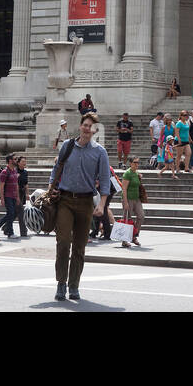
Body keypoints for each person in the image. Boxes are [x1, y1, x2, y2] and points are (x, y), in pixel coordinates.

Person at [49, 113, 114, 302]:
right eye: (85, 125)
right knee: (62, 242)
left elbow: (104, 180)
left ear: (95, 130)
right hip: (65, 200)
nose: (87, 129)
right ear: (80, 126)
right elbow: (56, 168)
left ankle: (74, 285)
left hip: (86, 202)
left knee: (79, 247)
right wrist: (50, 188)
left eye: (91, 127)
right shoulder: (67, 146)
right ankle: (61, 282)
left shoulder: (100, 151)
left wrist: (101, 204)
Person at [0, 155, 21, 238]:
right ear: (9, 161)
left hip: (13, 196)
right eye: (14, 159)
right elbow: (1, 187)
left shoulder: (15, 171)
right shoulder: (4, 172)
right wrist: (2, 199)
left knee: (11, 214)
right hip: (7, 196)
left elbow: (16, 184)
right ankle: (10, 232)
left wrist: (17, 196)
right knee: (11, 213)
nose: (16, 160)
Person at [120, 156, 145, 248]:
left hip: (136, 198)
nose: (137, 164)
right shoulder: (127, 174)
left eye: (138, 162)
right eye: (135, 162)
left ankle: (134, 236)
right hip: (128, 198)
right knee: (127, 219)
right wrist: (125, 202)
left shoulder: (136, 173)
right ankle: (124, 240)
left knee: (141, 216)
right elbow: (124, 189)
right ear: (130, 163)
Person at [15, 155, 30, 237]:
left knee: (14, 213)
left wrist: (27, 194)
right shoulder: (15, 171)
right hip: (15, 193)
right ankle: (23, 232)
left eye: (25, 161)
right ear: (18, 163)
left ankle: (3, 227)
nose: (24, 163)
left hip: (22, 193)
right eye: (22, 161)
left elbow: (26, 184)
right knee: (21, 212)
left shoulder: (25, 172)